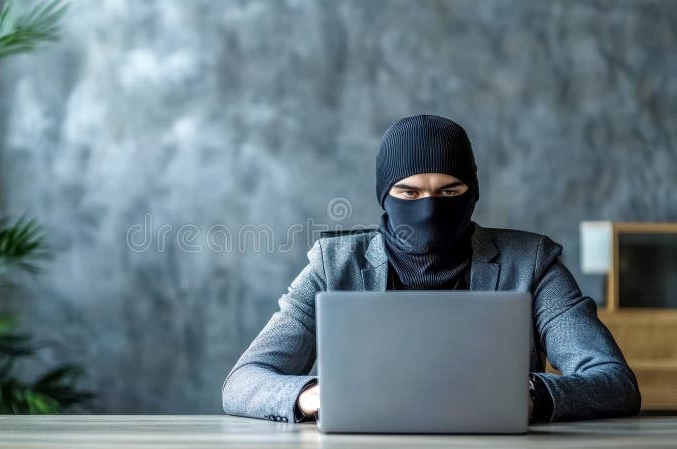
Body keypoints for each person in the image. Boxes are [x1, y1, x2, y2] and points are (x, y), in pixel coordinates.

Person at [221, 114, 641, 423]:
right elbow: (243, 382)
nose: (428, 207)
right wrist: (315, 396)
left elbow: (615, 381)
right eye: (408, 192)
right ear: (384, 195)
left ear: (472, 193)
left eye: (449, 190)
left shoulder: (530, 261)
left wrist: (531, 395)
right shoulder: (334, 264)